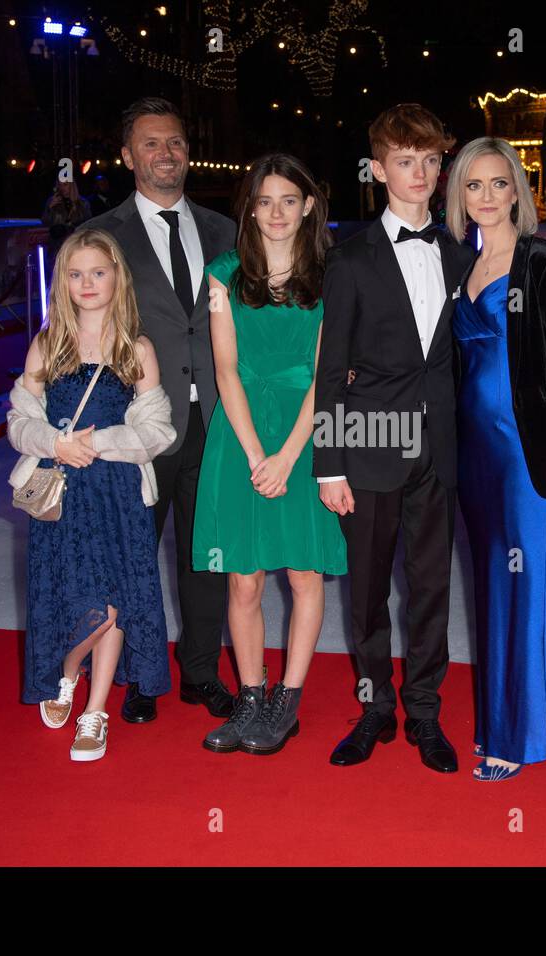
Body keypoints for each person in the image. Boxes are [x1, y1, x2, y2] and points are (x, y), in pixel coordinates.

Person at [314, 104, 476, 774]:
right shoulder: (348, 260)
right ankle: (375, 706)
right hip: (367, 448)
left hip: (440, 453)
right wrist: (329, 466)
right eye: (405, 161)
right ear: (378, 168)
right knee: (367, 594)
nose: (421, 174)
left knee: (432, 590)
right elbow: (330, 370)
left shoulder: (463, 257)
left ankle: (426, 714)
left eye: (432, 161)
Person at [445, 137, 546, 782]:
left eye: (498, 184)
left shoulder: (542, 264)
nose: (486, 197)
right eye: (473, 186)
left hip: (530, 450)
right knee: (493, 588)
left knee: (527, 586)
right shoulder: (464, 267)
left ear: (517, 191)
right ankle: (521, 720)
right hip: (474, 455)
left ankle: (520, 736)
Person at [87, 97, 239, 724]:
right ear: (128, 156)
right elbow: (79, 331)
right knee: (132, 555)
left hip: (214, 420)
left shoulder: (226, 231)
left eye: (174, 142)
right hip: (138, 425)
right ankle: (141, 675)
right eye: (150, 144)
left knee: (207, 555)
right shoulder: (101, 236)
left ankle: (201, 672)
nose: (165, 154)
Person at [192, 154, 347, 755]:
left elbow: (324, 376)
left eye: (288, 200)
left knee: (306, 574)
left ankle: (288, 702)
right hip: (240, 437)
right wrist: (257, 452)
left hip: (305, 436)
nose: (276, 212)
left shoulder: (333, 276)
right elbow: (225, 369)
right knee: (244, 580)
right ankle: (249, 699)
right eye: (264, 201)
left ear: (309, 205)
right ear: (249, 208)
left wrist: (286, 457)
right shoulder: (223, 274)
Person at [7, 228, 177, 761]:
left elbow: (159, 430)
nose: (86, 283)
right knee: (72, 596)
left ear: (116, 277)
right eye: (75, 274)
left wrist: (98, 444)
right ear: (62, 282)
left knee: (111, 606)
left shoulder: (137, 348)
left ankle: (95, 710)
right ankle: (66, 672)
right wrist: (56, 442)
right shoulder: (47, 342)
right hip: (61, 496)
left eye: (97, 272)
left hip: (117, 491)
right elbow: (18, 420)